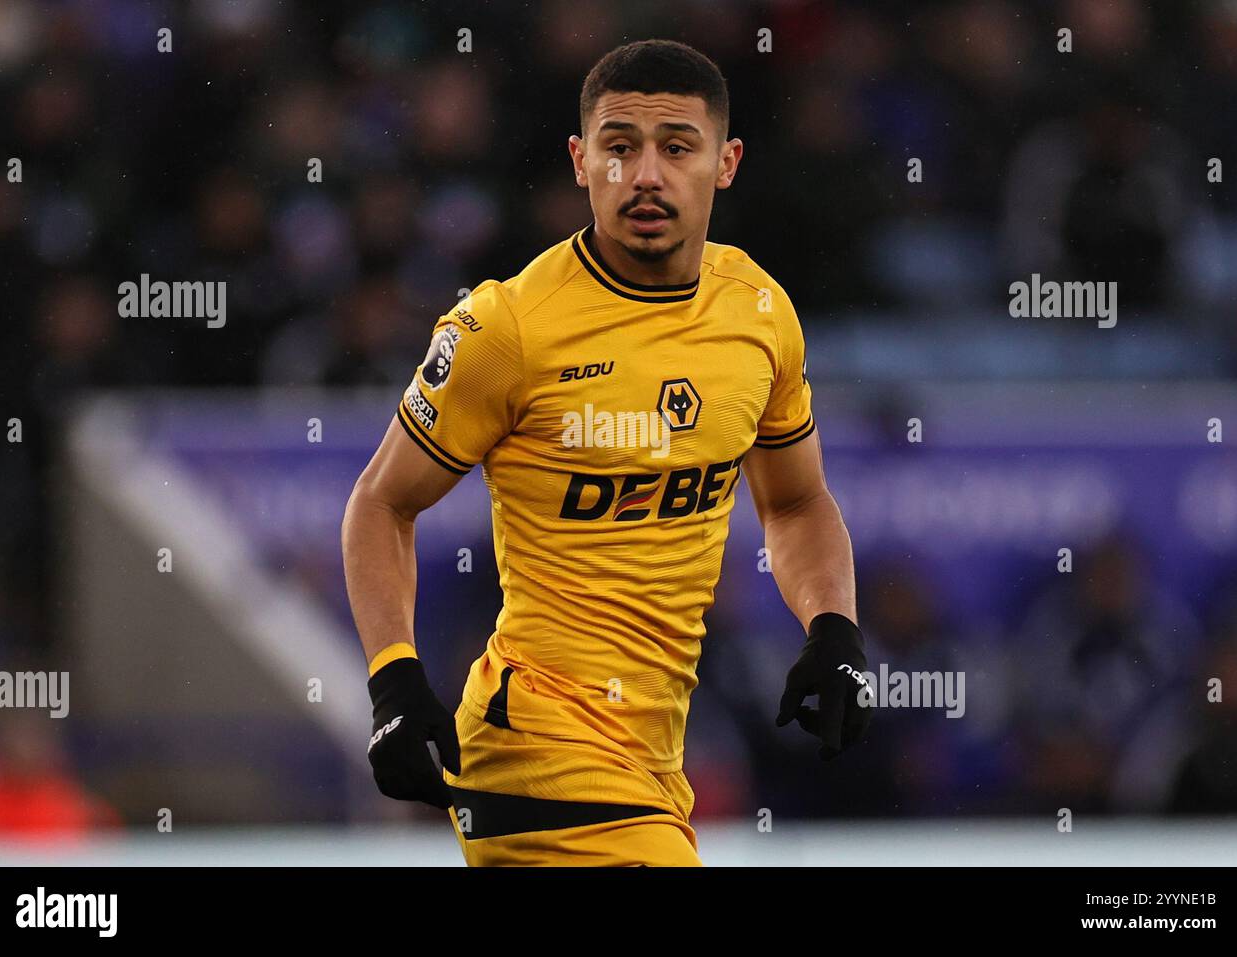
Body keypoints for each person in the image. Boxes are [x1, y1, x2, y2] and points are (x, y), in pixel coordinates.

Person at [341, 39, 868, 866]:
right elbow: (382, 500)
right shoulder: (508, 328)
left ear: (725, 163)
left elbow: (797, 502)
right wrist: (394, 680)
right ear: (581, 161)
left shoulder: (760, 314)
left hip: (652, 767)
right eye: (619, 148)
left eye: (677, 148)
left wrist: (833, 627)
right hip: (535, 752)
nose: (645, 175)